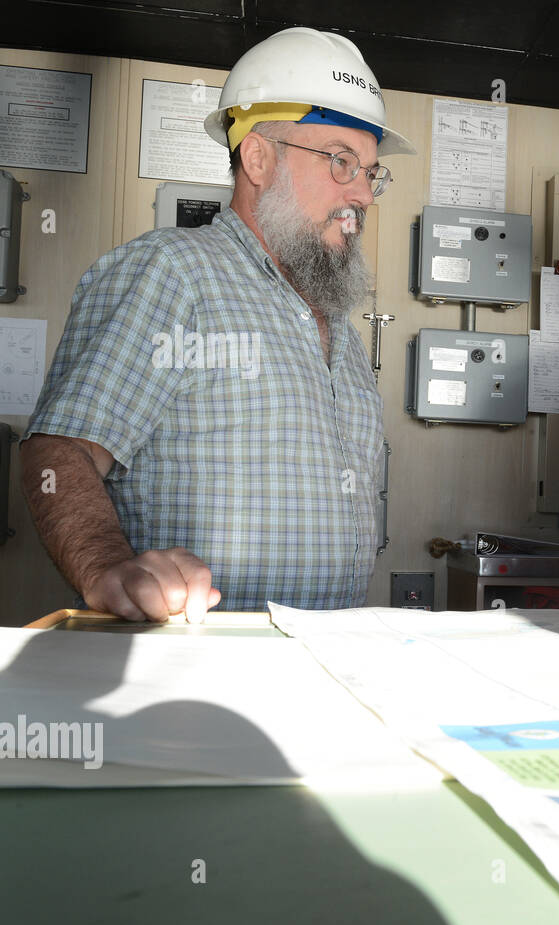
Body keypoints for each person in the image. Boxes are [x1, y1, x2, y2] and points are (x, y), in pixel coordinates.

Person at [21, 27, 414, 621]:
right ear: (258, 158)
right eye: (340, 161)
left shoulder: (335, 321)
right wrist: (106, 566)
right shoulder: (173, 273)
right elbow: (56, 453)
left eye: (370, 172)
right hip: (192, 668)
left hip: (323, 671)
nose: (362, 192)